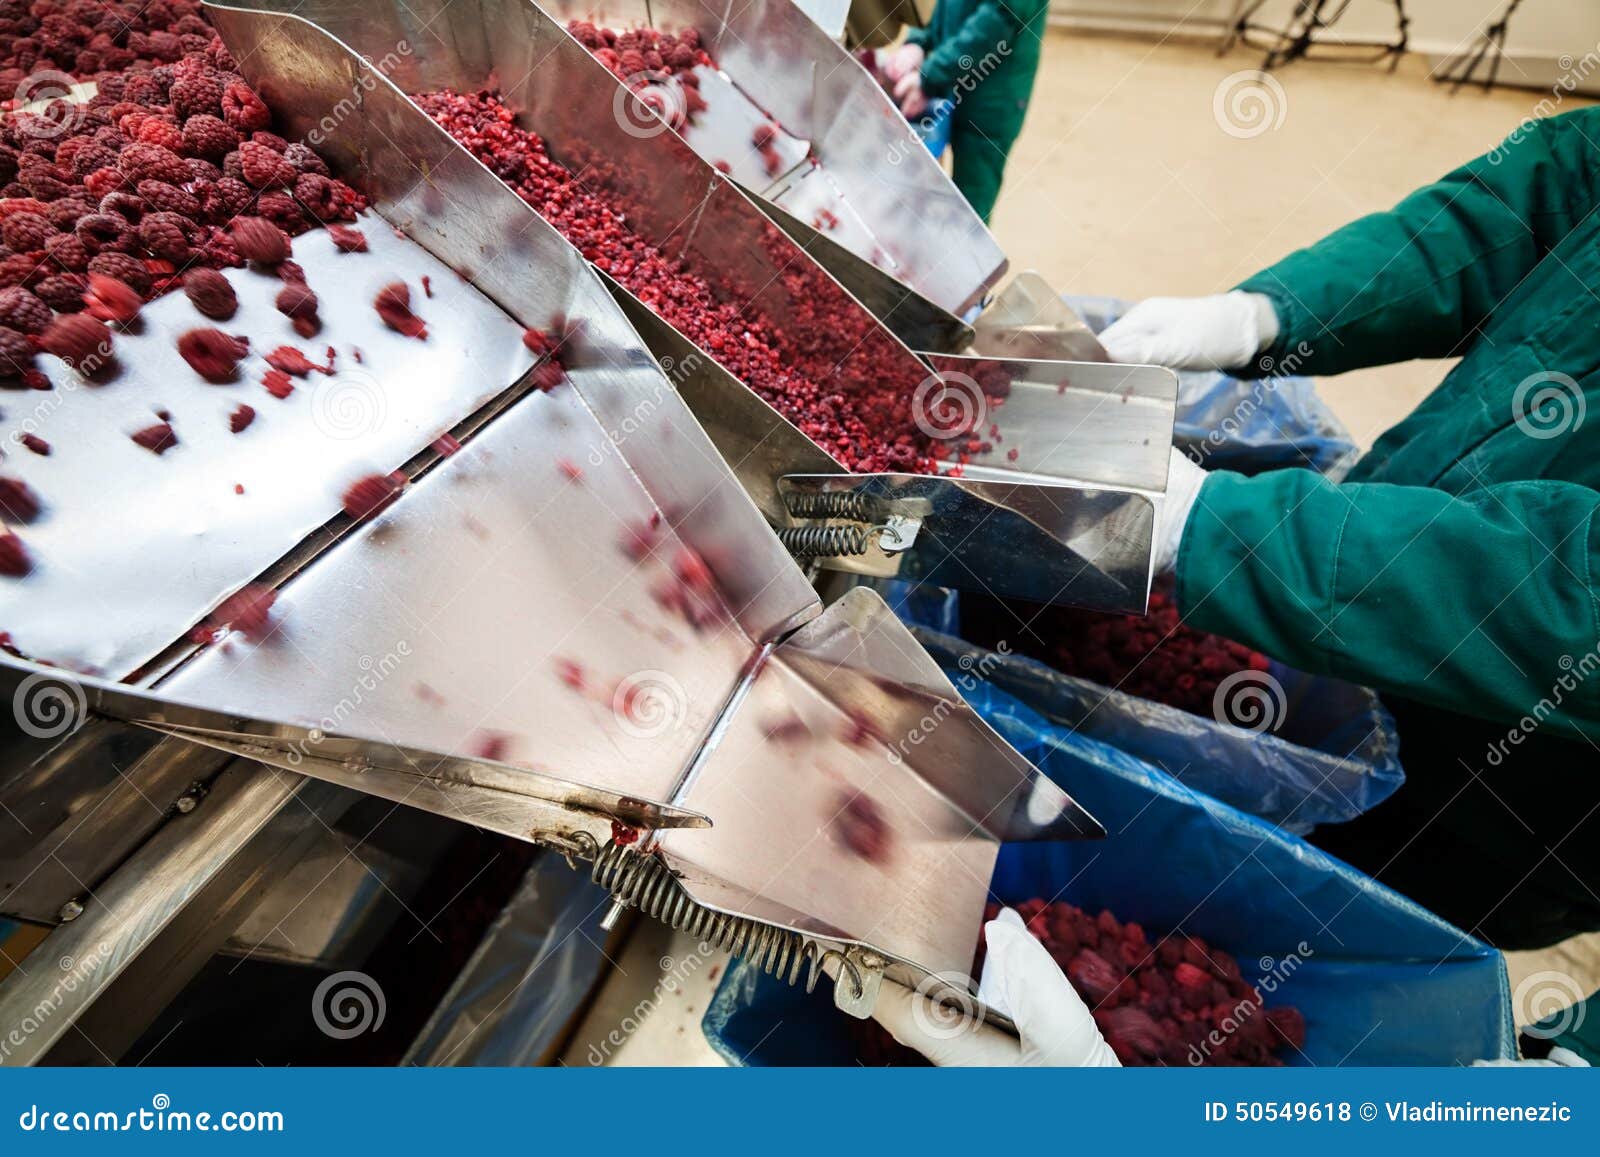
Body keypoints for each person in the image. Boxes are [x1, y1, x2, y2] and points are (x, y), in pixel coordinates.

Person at [874, 104, 1600, 1066]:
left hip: (1530, 769)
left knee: (1327, 930)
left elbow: (1572, 588)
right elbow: (1535, 201)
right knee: (1217, 863)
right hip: (1376, 563)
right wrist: (1272, 312)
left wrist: (1216, 528)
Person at [881, 0, 1048, 221]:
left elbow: (995, 22)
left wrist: (930, 76)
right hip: (951, 82)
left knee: (969, 212)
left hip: (990, 101)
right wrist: (919, 41)